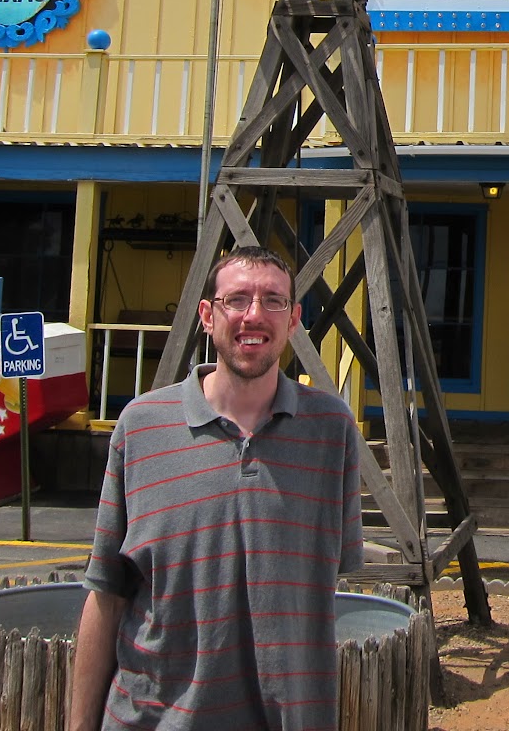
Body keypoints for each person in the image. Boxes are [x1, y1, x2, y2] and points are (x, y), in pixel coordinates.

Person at [70, 245, 365, 730]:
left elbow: (323, 587)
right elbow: (107, 594)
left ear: (292, 320)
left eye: (272, 300)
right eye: (237, 299)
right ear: (207, 315)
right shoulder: (141, 427)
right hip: (152, 719)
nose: (254, 315)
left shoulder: (332, 431)